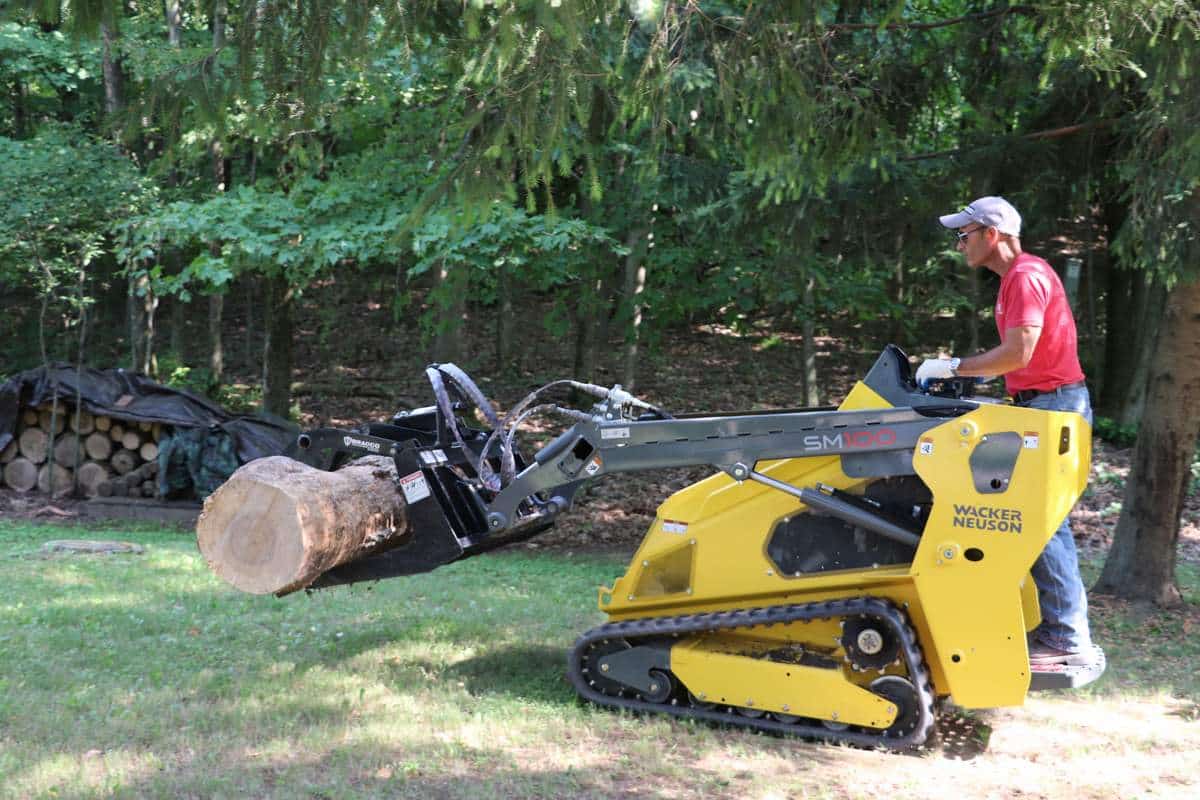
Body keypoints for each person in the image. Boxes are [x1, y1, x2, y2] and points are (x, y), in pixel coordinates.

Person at [915, 195, 1093, 667]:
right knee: (1039, 522)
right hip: (1044, 404)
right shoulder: (1018, 278)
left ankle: (1067, 639)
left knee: (1042, 522)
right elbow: (1020, 360)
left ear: (990, 235)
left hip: (1055, 406)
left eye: (964, 234)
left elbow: (1020, 354)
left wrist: (956, 367)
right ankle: (1057, 630)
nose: (959, 244)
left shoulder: (1026, 276)